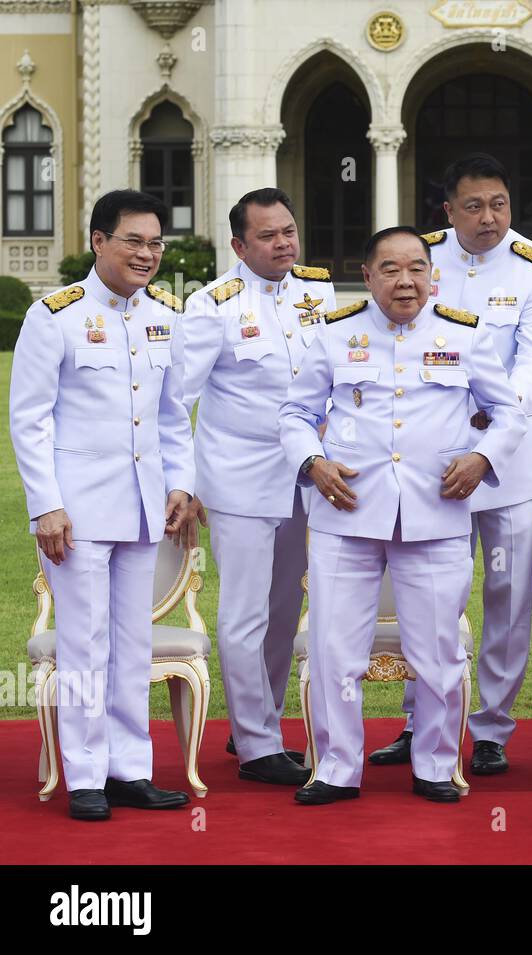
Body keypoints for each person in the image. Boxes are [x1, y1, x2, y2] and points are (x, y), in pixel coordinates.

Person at [280, 227, 525, 805]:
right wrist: (313, 462)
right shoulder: (334, 334)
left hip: (435, 512)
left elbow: (509, 412)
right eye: (390, 268)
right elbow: (295, 412)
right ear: (367, 277)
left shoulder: (464, 334)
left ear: (432, 275)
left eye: (417, 267)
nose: (406, 280)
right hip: (347, 513)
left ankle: (436, 765)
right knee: (335, 649)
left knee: (438, 651)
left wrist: (481, 455)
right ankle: (338, 768)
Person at [368, 155, 532, 776]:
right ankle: (418, 720)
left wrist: (491, 427)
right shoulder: (419, 259)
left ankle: (491, 729)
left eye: (499, 203)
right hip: (432, 466)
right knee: (427, 598)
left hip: (507, 464)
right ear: (447, 211)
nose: (489, 217)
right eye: (474, 206)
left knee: (507, 596)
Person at [11, 190, 198, 820]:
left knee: (130, 642)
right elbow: (29, 419)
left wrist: (181, 485)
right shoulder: (55, 315)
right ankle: (85, 776)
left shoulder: (165, 317)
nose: (147, 255)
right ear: (99, 241)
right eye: (133, 242)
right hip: (79, 511)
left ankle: (128, 768)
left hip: (145, 506)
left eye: (155, 244)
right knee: (86, 643)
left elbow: (174, 415)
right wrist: (46, 505)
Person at [182, 188, 335, 786]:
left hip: (305, 478)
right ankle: (257, 745)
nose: (283, 245)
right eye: (268, 236)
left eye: (289, 232)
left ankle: (259, 718)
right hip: (239, 478)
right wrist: (186, 483)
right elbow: (178, 401)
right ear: (239, 245)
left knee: (284, 606)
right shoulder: (211, 306)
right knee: (244, 612)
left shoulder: (317, 291)